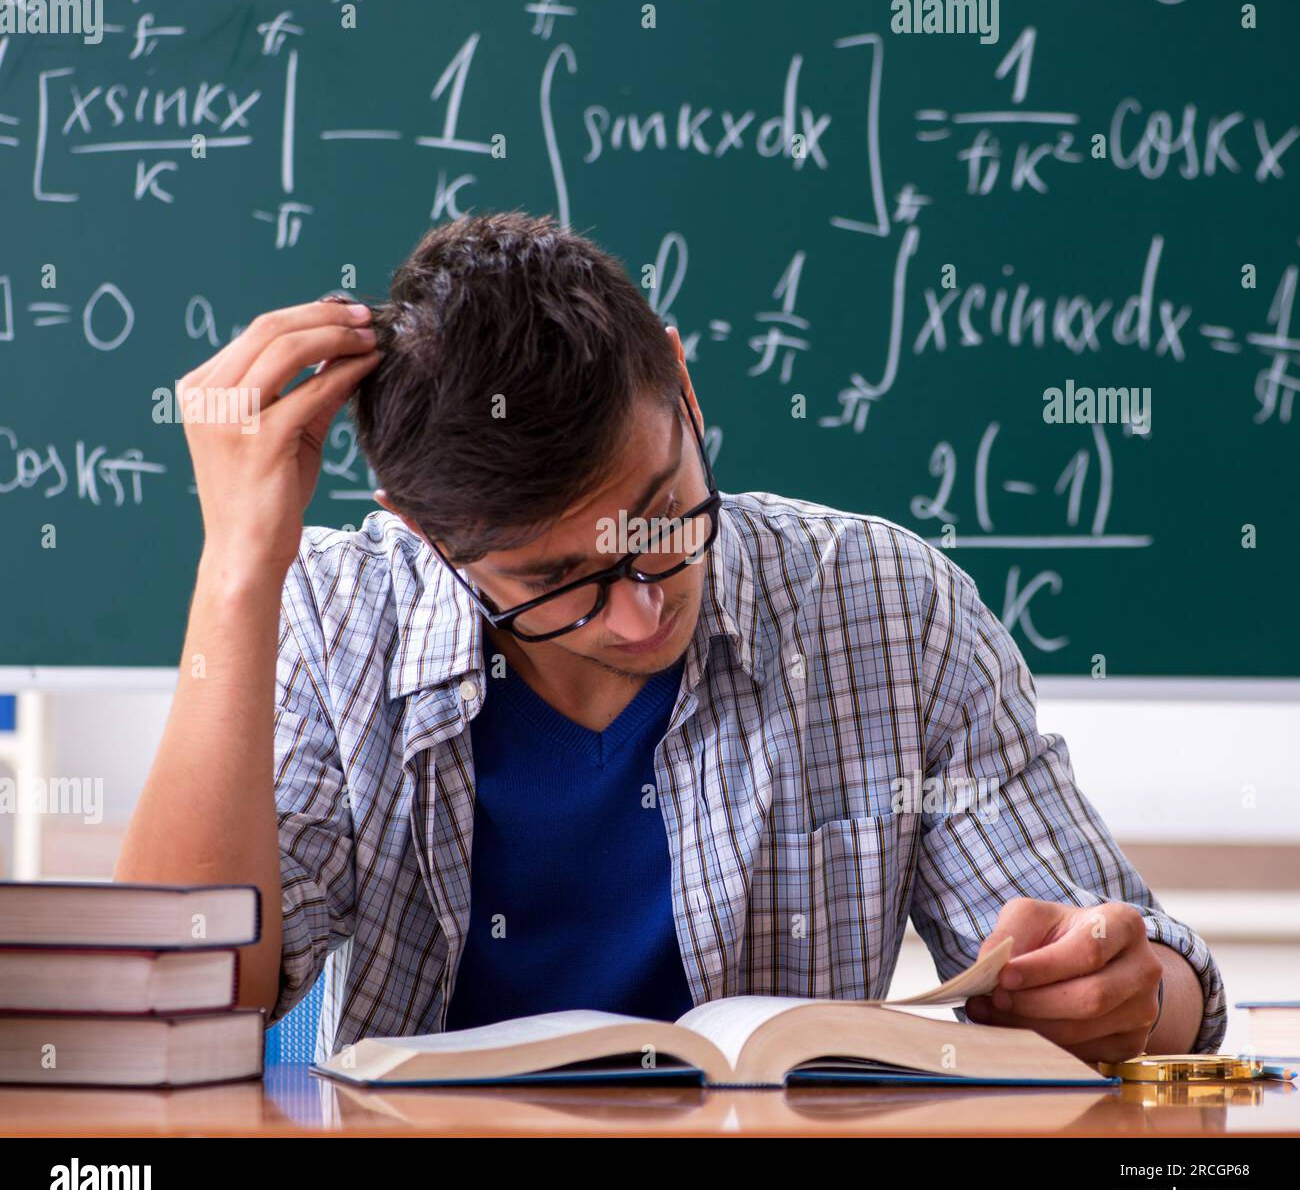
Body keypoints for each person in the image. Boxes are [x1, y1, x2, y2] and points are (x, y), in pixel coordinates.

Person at [117, 210, 1225, 1063]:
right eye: (556, 582)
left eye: (663, 522)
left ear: (685, 388)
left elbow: (1144, 979)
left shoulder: (890, 604)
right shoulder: (335, 616)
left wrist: (1124, 995)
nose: (643, 612)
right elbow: (173, 993)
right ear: (426, 536)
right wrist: (235, 572)